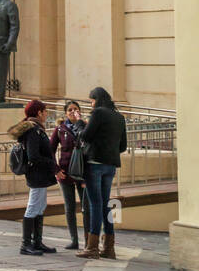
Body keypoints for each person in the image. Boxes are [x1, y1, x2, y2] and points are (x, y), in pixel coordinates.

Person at [78, 86, 128, 260]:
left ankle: (92, 248)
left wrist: (79, 124)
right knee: (106, 204)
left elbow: (86, 136)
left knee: (95, 204)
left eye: (91, 101)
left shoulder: (98, 113)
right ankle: (109, 248)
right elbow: (123, 146)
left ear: (96, 99)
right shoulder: (119, 117)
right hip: (110, 166)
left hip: (95, 164)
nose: (91, 104)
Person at [9, 98, 58, 256]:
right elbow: (34, 156)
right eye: (45, 112)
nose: (46, 115)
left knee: (40, 206)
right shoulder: (33, 130)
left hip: (41, 175)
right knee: (33, 207)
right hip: (36, 174)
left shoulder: (36, 128)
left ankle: (37, 242)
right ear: (39, 112)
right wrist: (51, 164)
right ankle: (26, 244)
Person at [50, 100, 91, 250]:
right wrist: (56, 169)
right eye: (70, 110)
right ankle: (74, 240)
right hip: (65, 173)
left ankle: (88, 241)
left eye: (76, 109)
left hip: (82, 173)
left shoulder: (86, 127)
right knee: (70, 207)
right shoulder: (60, 129)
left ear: (80, 111)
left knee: (86, 207)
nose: (73, 112)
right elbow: (50, 150)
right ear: (66, 113)